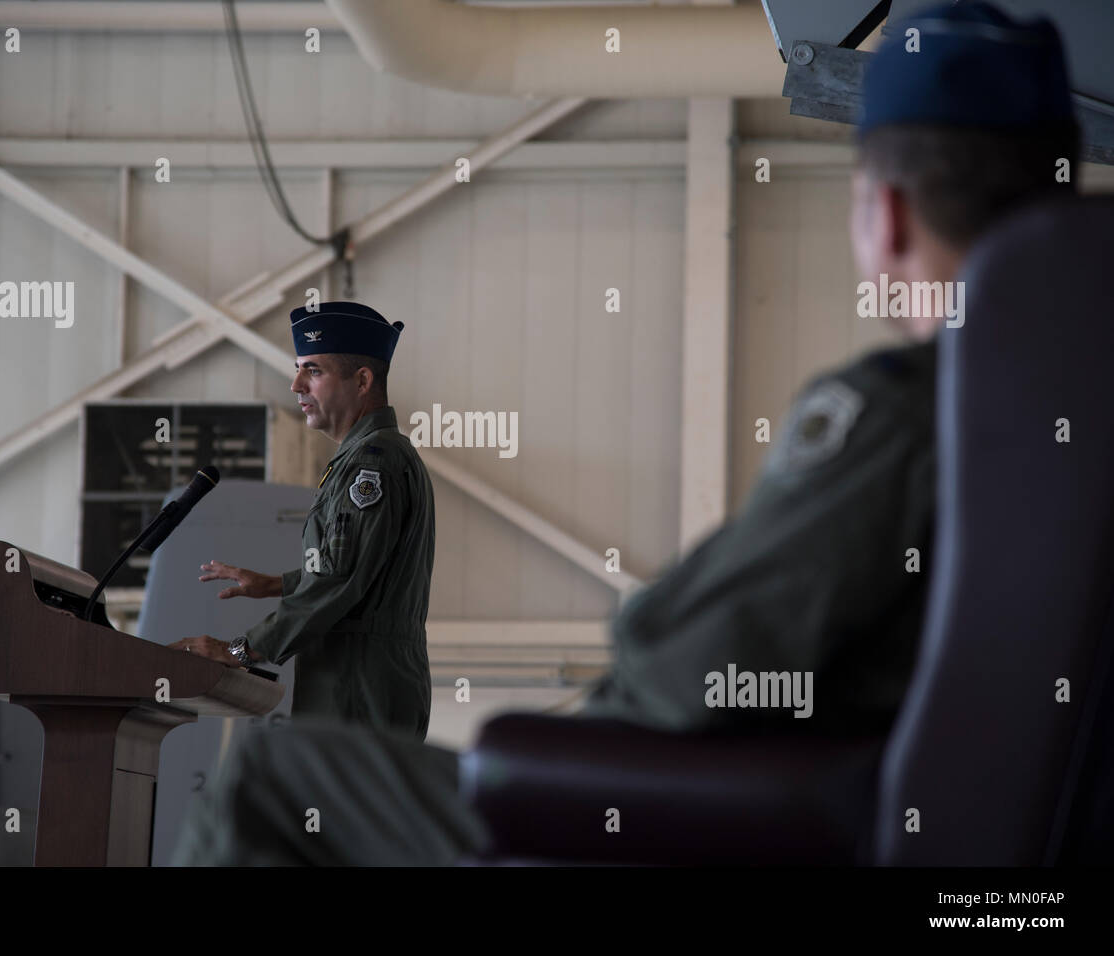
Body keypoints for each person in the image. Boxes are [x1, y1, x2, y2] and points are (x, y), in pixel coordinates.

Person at [172, 1, 1080, 865]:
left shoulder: (900, 412)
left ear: (884, 216)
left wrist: (644, 621)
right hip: (877, 816)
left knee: (269, 777)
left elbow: (688, 655)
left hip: (717, 821)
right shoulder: (1058, 423)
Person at [168, 301, 437, 741]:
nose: (295, 385)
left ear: (363, 380)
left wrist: (238, 650)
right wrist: (277, 584)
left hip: (358, 690)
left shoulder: (374, 464)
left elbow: (338, 582)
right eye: (298, 370)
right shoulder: (368, 457)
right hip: (363, 686)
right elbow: (356, 569)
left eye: (313, 371)